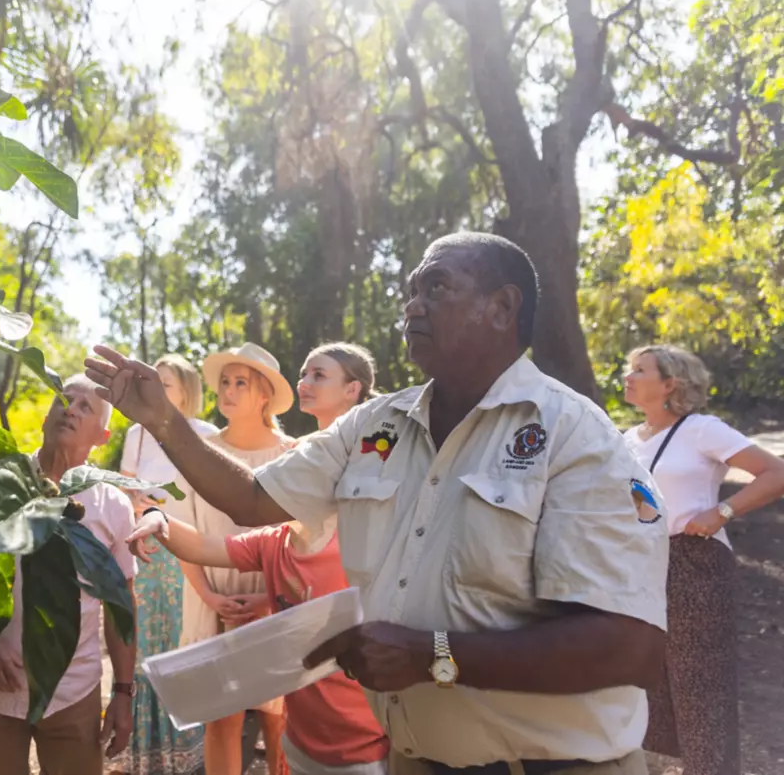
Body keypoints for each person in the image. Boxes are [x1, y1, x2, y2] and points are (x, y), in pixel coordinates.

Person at [86, 231, 671, 775]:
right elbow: (251, 497)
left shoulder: (573, 436)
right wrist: (164, 421)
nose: (413, 306)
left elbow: (629, 648)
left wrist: (436, 656)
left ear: (502, 307)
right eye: (411, 291)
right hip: (415, 760)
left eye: (436, 287)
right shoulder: (378, 424)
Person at [127, 343, 388, 775]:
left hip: (331, 633)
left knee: (293, 718)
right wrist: (161, 520)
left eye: (318, 375)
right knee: (253, 722)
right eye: (303, 374)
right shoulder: (273, 528)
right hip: (262, 599)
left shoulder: (372, 454)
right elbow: (213, 542)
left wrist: (273, 602)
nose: (305, 383)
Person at [0, 375, 138, 775]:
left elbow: (120, 606)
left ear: (102, 435)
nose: (70, 409)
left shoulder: (112, 504)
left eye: (85, 407)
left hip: (72, 691)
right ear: (45, 417)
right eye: (64, 401)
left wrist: (124, 693)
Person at [622, 345, 784, 775]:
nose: (628, 376)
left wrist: (721, 513)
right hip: (641, 569)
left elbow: (776, 473)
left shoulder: (701, 429)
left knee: (701, 689)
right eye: (629, 369)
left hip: (696, 563)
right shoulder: (624, 441)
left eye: (640, 370)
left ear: (670, 384)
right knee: (648, 690)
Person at [185, 342, 294, 775]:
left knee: (280, 721)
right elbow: (184, 530)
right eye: (224, 382)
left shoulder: (293, 455)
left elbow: (304, 540)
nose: (227, 391)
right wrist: (210, 598)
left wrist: (271, 600)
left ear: (264, 393)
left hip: (277, 604)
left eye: (240, 383)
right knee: (222, 721)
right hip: (215, 605)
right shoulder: (199, 453)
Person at [119, 354, 215, 775]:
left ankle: (189, 750)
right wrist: (136, 500)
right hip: (147, 553)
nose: (154, 389)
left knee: (183, 641)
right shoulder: (135, 435)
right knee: (143, 647)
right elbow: (124, 488)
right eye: (150, 382)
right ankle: (145, 750)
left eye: (166, 383)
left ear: (187, 391)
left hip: (188, 554)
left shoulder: (207, 434)